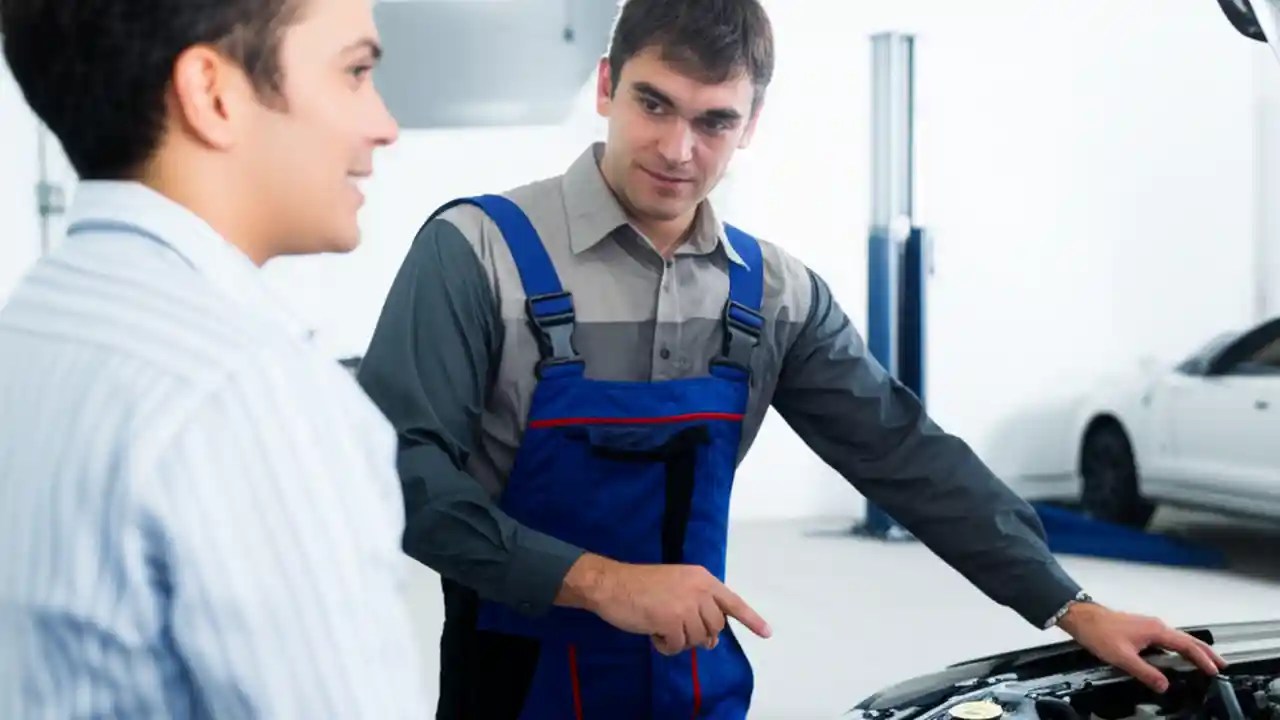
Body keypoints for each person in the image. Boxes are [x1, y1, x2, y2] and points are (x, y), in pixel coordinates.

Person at [357, 0, 1227, 717]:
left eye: (714, 121)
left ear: (752, 123)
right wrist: (600, 583)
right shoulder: (475, 253)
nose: (677, 149)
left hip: (696, 683)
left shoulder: (772, 292)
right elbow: (404, 478)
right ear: (605, 85)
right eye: (653, 104)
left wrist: (1071, 605)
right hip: (514, 684)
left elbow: (905, 454)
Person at [0, 0, 430, 717]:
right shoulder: (250, 396)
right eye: (355, 72)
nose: (383, 124)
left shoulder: (33, 331)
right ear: (213, 93)